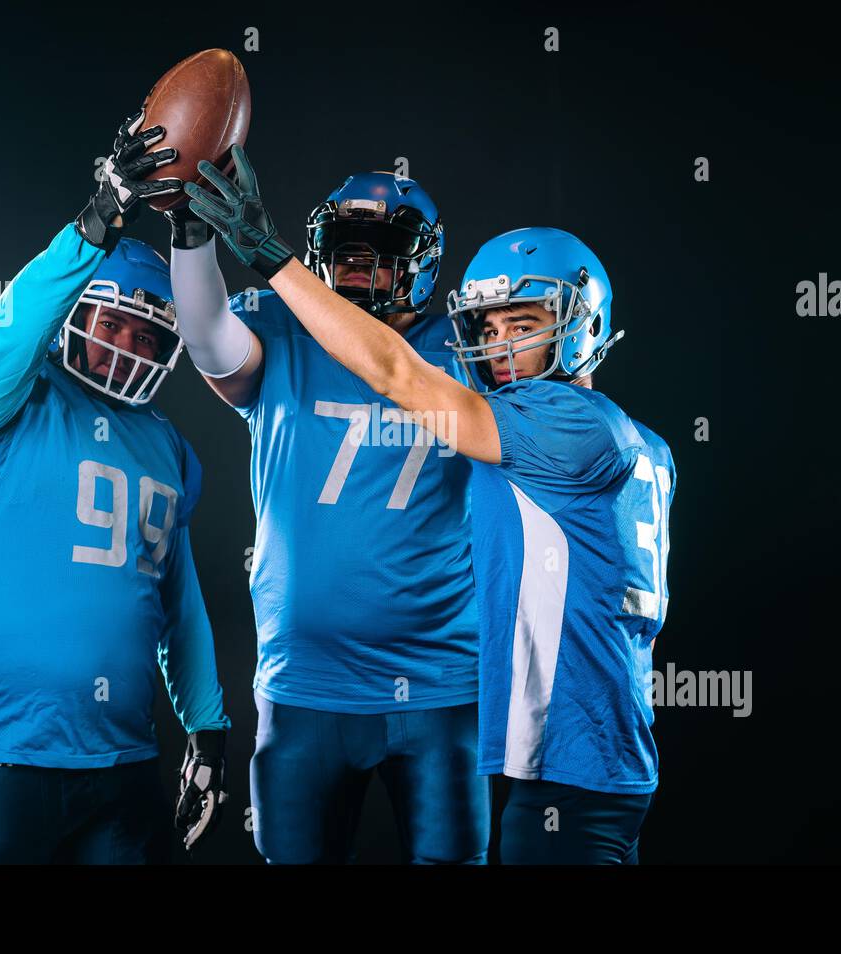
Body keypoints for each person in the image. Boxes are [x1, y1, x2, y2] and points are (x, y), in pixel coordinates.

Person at [187, 147, 675, 864]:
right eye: (492, 328)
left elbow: (393, 370)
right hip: (581, 749)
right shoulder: (640, 441)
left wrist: (265, 252)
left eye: (526, 322)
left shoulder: (555, 426)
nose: (504, 346)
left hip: (561, 748)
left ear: (584, 322)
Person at [0, 111, 229, 864]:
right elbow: (12, 336)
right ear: (72, 313)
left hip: (124, 761)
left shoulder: (163, 444)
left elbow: (176, 600)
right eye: (112, 324)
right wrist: (95, 224)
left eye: (148, 336)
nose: (128, 347)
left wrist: (208, 726)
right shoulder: (2, 396)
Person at [164, 168, 488, 864]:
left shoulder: (462, 349)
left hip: (442, 686)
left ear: (423, 262)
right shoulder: (280, 324)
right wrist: (191, 237)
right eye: (342, 248)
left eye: (377, 248)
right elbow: (208, 341)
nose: (356, 263)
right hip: (306, 684)